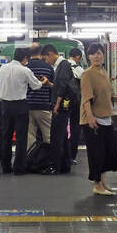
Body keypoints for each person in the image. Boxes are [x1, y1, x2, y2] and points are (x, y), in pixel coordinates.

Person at [0, 47, 49, 175]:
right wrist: (44, 82)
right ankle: (19, 168)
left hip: (5, 105)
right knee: (21, 138)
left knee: (6, 136)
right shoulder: (25, 70)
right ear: (25, 58)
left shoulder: (3, 68)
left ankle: (6, 167)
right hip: (20, 106)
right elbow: (36, 86)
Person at [79, 43, 117, 196]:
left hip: (105, 117)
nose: (96, 56)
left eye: (99, 53)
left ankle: (102, 181)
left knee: (106, 152)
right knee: (96, 153)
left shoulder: (104, 72)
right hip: (92, 119)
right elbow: (86, 97)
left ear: (103, 55)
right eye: (93, 54)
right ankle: (97, 184)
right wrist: (90, 117)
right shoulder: (87, 74)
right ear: (88, 57)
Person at [50, 45, 78, 173]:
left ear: (51, 54)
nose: (46, 62)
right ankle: (65, 165)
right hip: (64, 105)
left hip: (61, 107)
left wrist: (56, 105)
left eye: (46, 59)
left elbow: (61, 87)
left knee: (57, 136)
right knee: (63, 136)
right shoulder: (62, 66)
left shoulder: (63, 65)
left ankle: (56, 166)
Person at [25, 44, 56, 158]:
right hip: (44, 106)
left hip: (28, 106)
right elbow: (53, 87)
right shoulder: (48, 68)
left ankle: (31, 160)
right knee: (48, 135)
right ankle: (49, 160)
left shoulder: (25, 68)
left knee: (30, 137)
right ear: (40, 52)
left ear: (29, 53)